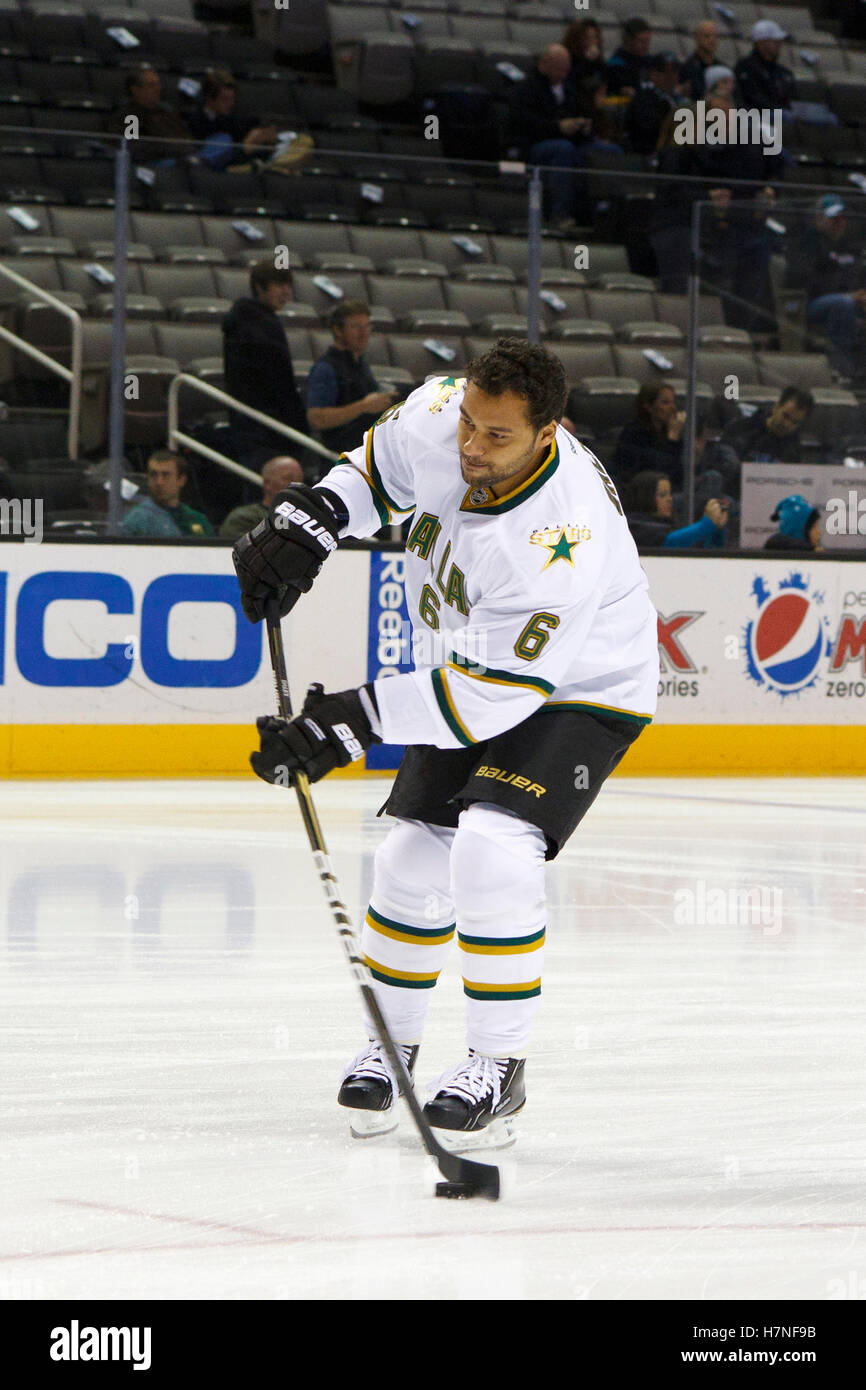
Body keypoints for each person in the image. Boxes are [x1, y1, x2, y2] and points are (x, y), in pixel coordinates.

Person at [232, 339, 659, 1146]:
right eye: (469, 424)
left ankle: (500, 1067)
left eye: (496, 437)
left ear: (547, 433)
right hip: (479, 661)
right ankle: (390, 1047)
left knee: (492, 848)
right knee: (410, 857)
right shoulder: (442, 414)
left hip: (583, 686)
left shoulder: (555, 539)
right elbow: (371, 475)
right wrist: (311, 522)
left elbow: (494, 700)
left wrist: (345, 725)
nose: (470, 447)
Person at [222, 260, 310, 471]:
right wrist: (297, 422)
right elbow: (277, 380)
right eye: (279, 285)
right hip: (264, 426)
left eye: (288, 286)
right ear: (260, 287)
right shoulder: (262, 325)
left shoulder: (250, 320)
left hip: (253, 422)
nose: (286, 292)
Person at [508, 43, 594, 230]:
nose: (563, 74)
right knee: (563, 149)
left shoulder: (570, 89)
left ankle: (601, 215)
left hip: (572, 142)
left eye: (566, 69)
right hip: (535, 146)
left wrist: (583, 126)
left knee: (606, 151)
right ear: (544, 64)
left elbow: (584, 112)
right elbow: (524, 123)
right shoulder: (525, 89)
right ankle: (559, 215)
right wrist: (557, 127)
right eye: (559, 69)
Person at [786, 195, 866, 384]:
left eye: (842, 219)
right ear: (818, 218)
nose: (839, 223)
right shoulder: (806, 244)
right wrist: (848, 295)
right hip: (811, 304)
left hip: (852, 301)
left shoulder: (850, 248)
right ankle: (841, 370)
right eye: (833, 218)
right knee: (842, 304)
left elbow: (859, 276)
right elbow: (804, 280)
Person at [305, 301, 399, 456]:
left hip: (364, 454)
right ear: (338, 330)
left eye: (367, 326)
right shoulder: (325, 368)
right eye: (356, 327)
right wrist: (363, 406)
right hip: (339, 459)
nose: (364, 333)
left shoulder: (361, 365)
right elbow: (316, 419)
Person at [186, 69, 278, 170]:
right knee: (224, 139)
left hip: (232, 169)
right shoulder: (195, 120)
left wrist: (263, 136)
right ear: (210, 99)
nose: (231, 104)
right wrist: (245, 147)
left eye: (232, 99)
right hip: (204, 170)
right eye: (225, 99)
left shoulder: (231, 119)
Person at [108, 65, 191, 166]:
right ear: (136, 90)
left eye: (158, 84)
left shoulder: (166, 113)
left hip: (182, 158)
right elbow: (133, 147)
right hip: (155, 165)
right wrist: (168, 146)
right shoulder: (131, 116)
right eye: (151, 85)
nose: (158, 89)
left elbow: (187, 139)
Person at [120, 449, 213, 537]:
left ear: (181, 480)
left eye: (166, 475)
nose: (159, 482)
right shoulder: (137, 520)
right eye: (153, 475)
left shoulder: (198, 519)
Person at [624, 470, 728, 548]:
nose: (669, 499)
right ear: (645, 496)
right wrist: (706, 524)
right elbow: (669, 543)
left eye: (669, 494)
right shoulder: (633, 526)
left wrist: (716, 528)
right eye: (662, 495)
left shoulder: (671, 524)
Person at [612, 383, 685, 487]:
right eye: (665, 402)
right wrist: (673, 438)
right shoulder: (634, 433)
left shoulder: (671, 432)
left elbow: (681, 475)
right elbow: (659, 470)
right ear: (648, 407)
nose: (673, 408)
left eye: (673, 402)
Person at [720, 386, 814, 465]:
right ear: (776, 407)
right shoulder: (740, 430)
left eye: (795, 422)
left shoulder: (794, 448)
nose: (787, 424)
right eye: (785, 416)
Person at [218, 456, 303, 541]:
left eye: (300, 479)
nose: (297, 484)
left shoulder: (308, 517)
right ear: (267, 483)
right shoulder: (243, 518)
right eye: (287, 478)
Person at [625, 52, 686, 157]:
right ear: (653, 74)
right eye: (664, 72)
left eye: (674, 71)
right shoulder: (642, 99)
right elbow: (646, 131)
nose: (670, 76)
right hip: (649, 153)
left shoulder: (681, 100)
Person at [734, 20, 796, 113]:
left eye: (779, 41)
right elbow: (752, 98)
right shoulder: (745, 67)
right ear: (761, 42)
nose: (779, 45)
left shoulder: (784, 73)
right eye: (775, 41)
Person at [605, 17, 652, 98]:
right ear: (628, 40)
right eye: (641, 41)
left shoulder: (650, 61)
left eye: (647, 42)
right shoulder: (616, 65)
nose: (645, 46)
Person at [678, 20, 719, 102]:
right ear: (697, 39)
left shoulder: (722, 68)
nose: (712, 40)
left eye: (715, 36)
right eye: (707, 36)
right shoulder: (687, 69)